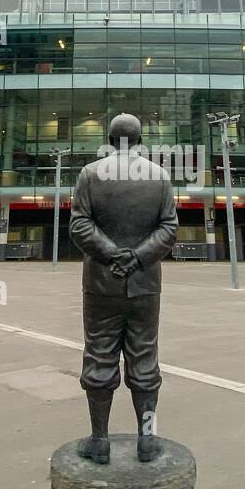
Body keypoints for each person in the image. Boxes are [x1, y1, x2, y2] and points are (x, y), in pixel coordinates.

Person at [69, 114, 178, 464]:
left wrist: (114, 255)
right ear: (140, 139)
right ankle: (146, 441)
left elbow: (79, 225)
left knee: (99, 356)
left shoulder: (90, 174)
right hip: (145, 284)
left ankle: (99, 440)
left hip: (102, 282)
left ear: (110, 139)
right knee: (145, 358)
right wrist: (138, 258)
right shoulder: (159, 176)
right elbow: (168, 228)